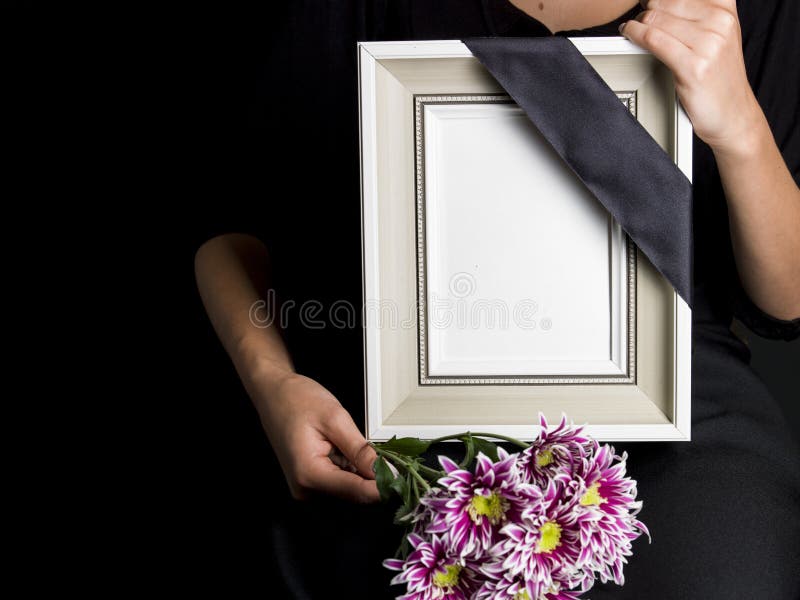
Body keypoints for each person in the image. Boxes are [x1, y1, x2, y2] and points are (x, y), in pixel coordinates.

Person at [194, 0, 800, 597]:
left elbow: (786, 303)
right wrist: (272, 382)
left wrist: (742, 128)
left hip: (673, 403)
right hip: (402, 402)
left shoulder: (746, 11)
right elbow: (234, 226)